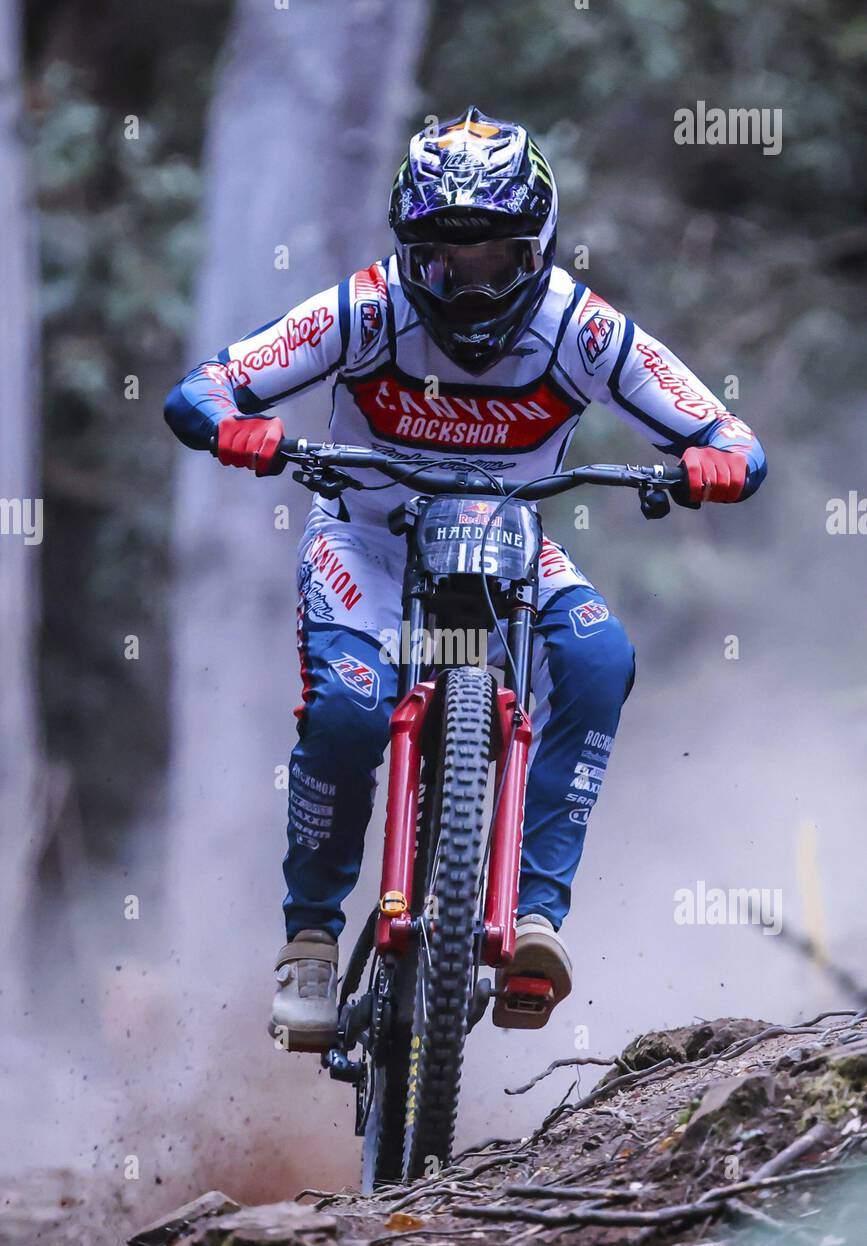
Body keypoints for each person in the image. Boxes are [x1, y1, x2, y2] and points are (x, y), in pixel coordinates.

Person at [165, 107, 766, 1051]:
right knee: (350, 711)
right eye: (446, 260)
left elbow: (729, 435)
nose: (473, 282)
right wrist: (237, 425)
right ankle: (311, 942)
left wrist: (711, 461)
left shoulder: (581, 328)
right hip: (366, 543)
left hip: (510, 544)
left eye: (497, 258)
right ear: (408, 252)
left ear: (540, 247)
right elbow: (202, 387)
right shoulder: (365, 309)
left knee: (600, 658)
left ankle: (535, 919)